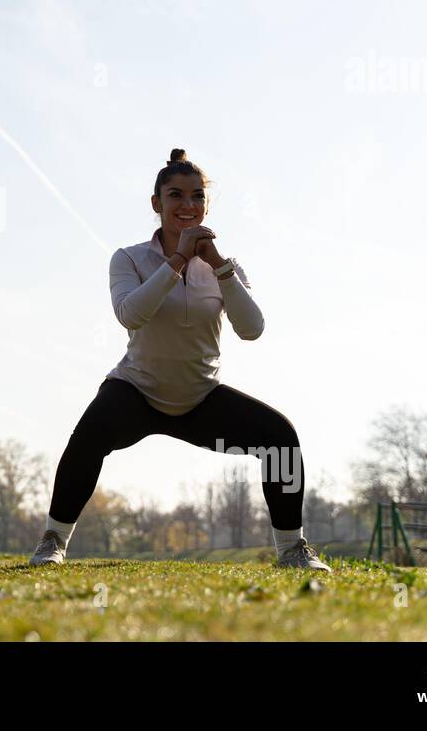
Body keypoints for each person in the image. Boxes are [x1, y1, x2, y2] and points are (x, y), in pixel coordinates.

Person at [29, 148, 331, 572]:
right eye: (175, 196)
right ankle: (52, 542)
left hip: (200, 399)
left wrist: (217, 265)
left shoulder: (225, 266)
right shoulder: (129, 258)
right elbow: (130, 314)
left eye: (196, 197)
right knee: (87, 438)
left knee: (280, 439)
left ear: (205, 205)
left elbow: (252, 329)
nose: (187, 206)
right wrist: (176, 260)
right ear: (157, 204)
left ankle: (292, 551)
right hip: (136, 391)